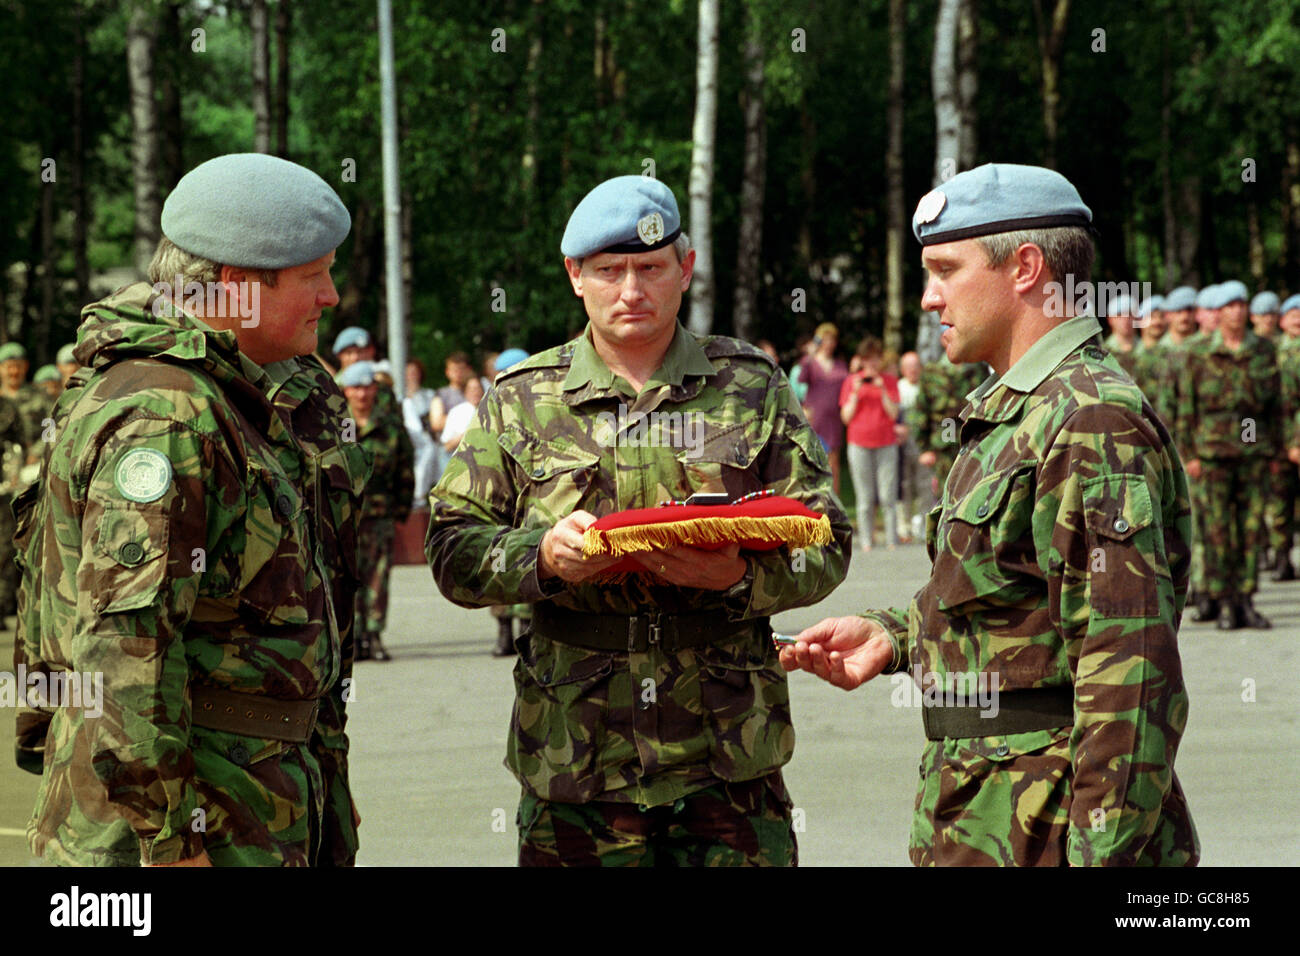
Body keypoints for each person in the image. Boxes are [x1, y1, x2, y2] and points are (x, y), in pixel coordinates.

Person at [425, 174, 851, 866]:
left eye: (651, 269)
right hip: (576, 761)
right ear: (574, 276)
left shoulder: (751, 386)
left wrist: (743, 578)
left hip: (729, 763)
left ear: (684, 270)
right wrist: (542, 560)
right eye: (609, 271)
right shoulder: (522, 399)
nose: (631, 290)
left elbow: (828, 538)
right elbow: (450, 548)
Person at [781, 163, 1198, 866]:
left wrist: (1101, 855)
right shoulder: (1020, 410)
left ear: (1025, 267)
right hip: (993, 810)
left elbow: (1129, 674)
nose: (929, 298)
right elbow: (1008, 598)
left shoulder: (1088, 419)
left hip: (1051, 825)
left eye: (945, 270)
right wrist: (896, 636)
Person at [14, 152, 367, 866]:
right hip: (187, 814)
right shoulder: (163, 417)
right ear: (236, 288)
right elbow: (124, 653)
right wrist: (172, 839)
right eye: (313, 276)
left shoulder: (273, 393)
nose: (331, 297)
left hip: (268, 792)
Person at [1178, 280, 1279, 628]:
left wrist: (1273, 447)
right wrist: (1188, 452)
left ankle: (1246, 599)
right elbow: (1186, 407)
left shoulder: (1263, 351)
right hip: (1212, 453)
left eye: (1241, 305)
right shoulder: (1199, 353)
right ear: (1218, 313)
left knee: (1250, 531)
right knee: (1217, 531)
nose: (1236, 312)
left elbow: (1274, 406)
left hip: (1252, 451)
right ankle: (1223, 602)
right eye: (1229, 306)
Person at [340, 360, 415, 662]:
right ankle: (353, 638)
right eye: (356, 388)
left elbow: (405, 469)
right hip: (343, 516)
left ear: (375, 389)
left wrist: (401, 510)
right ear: (346, 391)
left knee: (378, 577)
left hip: (380, 514)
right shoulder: (334, 424)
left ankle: (374, 634)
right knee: (347, 577)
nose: (362, 394)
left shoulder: (390, 426)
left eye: (367, 387)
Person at [839, 336, 900, 551]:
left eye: (876, 359)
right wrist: (855, 392)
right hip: (859, 442)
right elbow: (846, 417)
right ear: (862, 361)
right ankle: (866, 540)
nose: (872, 364)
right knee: (864, 496)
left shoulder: (889, 381)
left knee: (887, 494)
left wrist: (882, 389)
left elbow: (893, 413)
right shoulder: (850, 381)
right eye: (868, 360)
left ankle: (892, 539)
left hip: (886, 442)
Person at [797, 322, 849, 495]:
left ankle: (834, 507)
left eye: (832, 340)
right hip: (815, 419)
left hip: (833, 419)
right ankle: (814, 503)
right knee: (813, 461)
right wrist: (809, 357)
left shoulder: (840, 364)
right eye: (825, 339)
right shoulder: (810, 363)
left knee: (834, 465)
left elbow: (847, 385)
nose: (829, 343)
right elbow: (801, 379)